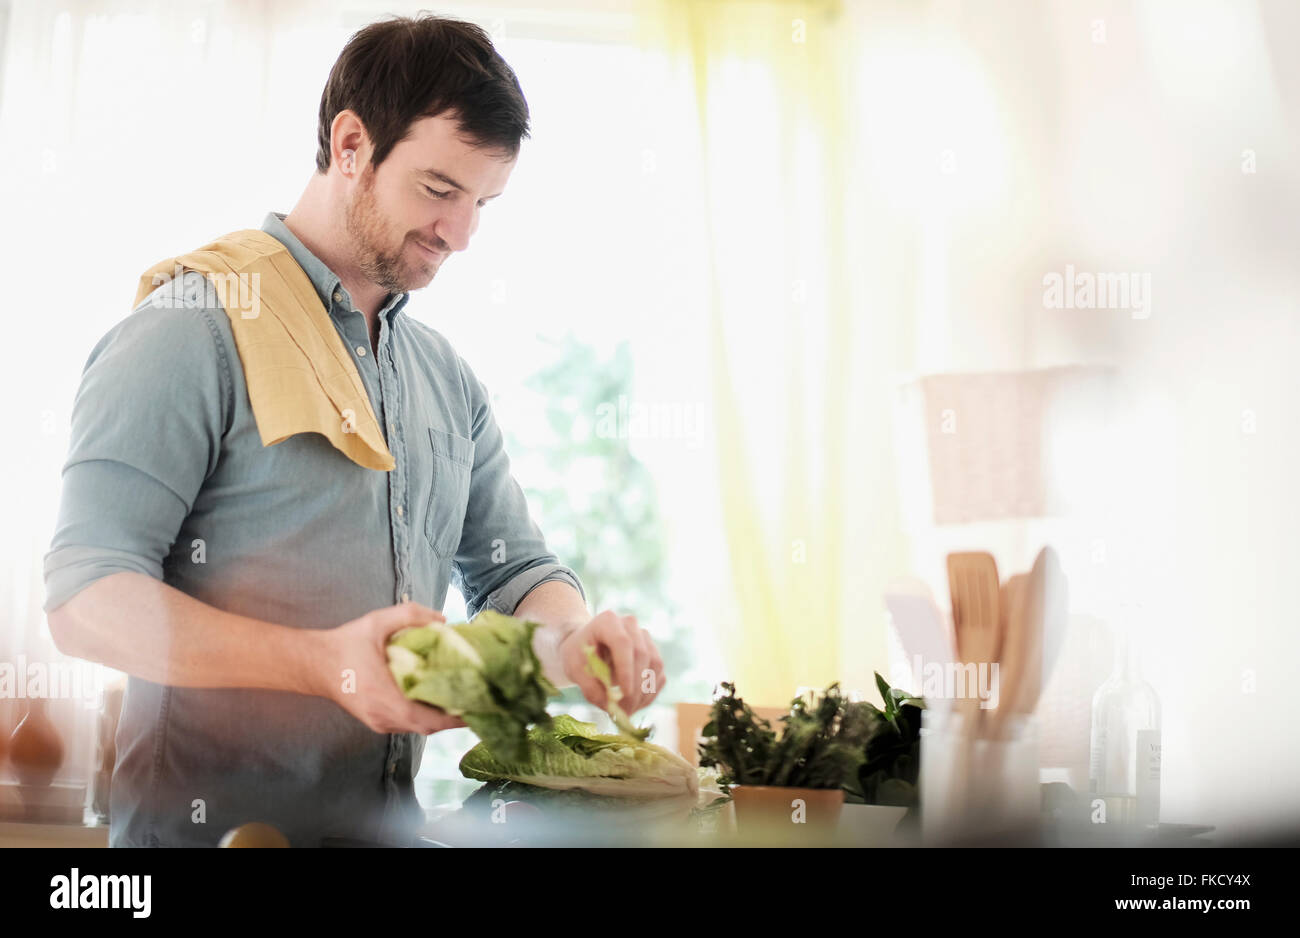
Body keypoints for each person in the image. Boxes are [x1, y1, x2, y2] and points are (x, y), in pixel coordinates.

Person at [43, 13, 665, 847]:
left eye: (483, 203)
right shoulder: (189, 328)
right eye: (440, 190)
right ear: (349, 144)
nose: (461, 235)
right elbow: (85, 600)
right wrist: (324, 663)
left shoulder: (446, 378)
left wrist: (573, 640)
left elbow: (516, 574)